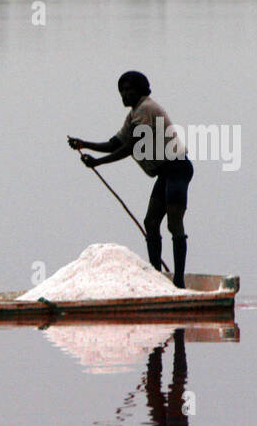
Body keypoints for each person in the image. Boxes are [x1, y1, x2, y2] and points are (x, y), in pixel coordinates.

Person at [67, 71, 193, 288]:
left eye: (129, 89)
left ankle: (179, 281)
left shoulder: (146, 110)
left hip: (178, 168)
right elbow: (115, 143)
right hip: (166, 172)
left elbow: (131, 147)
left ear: (142, 91)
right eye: (122, 91)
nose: (125, 94)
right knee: (151, 223)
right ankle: (156, 278)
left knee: (174, 224)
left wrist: (98, 162)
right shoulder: (134, 114)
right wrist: (84, 144)